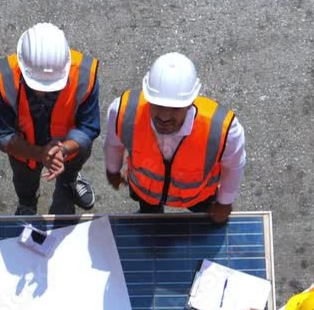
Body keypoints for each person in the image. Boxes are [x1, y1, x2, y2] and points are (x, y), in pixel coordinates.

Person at [104, 52, 246, 224]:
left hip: (198, 197)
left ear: (191, 102)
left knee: (206, 220)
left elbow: (233, 166)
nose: (164, 117)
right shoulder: (122, 112)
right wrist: (112, 169)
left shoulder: (224, 130)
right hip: (147, 193)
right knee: (150, 219)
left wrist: (224, 202)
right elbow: (114, 144)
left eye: (175, 108)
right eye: (157, 105)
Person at [0, 22, 101, 215]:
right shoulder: (4, 79)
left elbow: (89, 127)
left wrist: (64, 149)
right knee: (24, 183)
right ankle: (27, 203)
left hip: (71, 148)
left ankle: (70, 181)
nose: (42, 91)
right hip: (24, 153)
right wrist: (39, 153)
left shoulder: (84, 75)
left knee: (71, 168)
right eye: (38, 85)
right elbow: (4, 135)